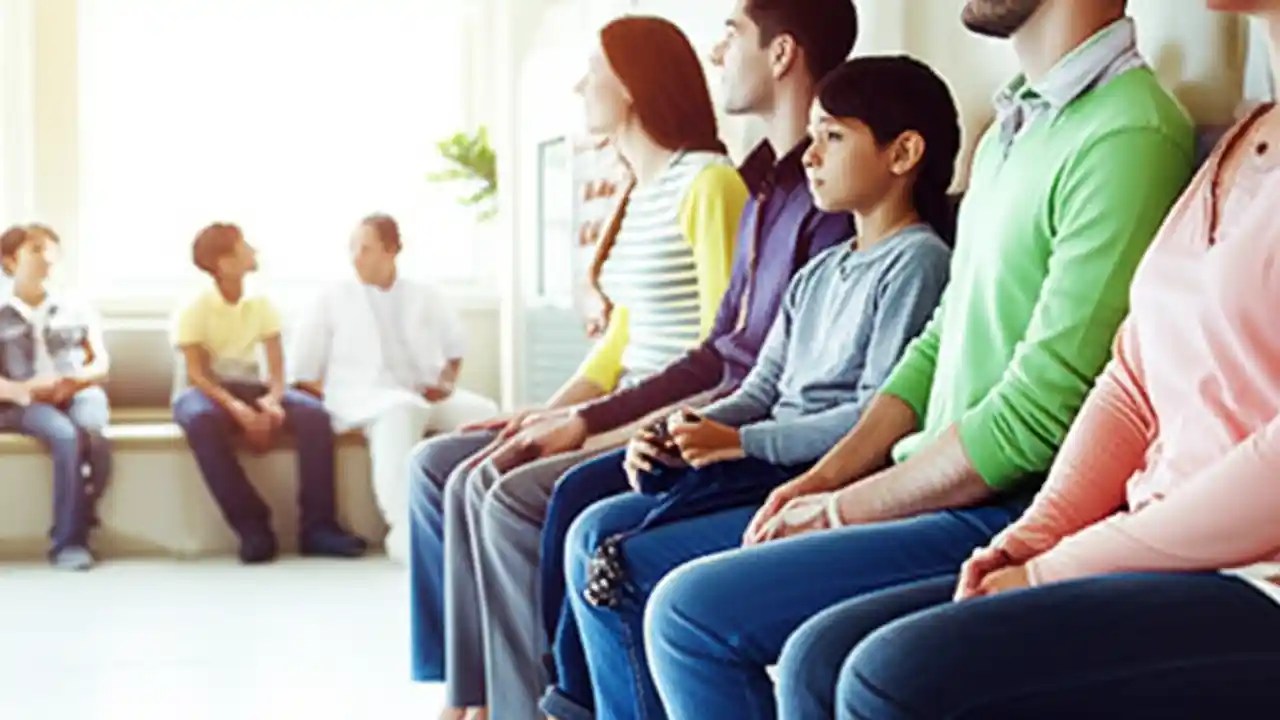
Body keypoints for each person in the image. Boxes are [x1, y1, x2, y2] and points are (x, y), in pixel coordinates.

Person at [643, 2, 1197, 718]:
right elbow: (937, 340)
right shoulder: (1008, 135)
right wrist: (823, 477)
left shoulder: (1131, 131)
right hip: (935, 480)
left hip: (1010, 506)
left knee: (692, 616)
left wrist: (840, 510)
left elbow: (1039, 415)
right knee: (777, 639)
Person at [772, 3, 1280, 716]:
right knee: (820, 656)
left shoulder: (1134, 125)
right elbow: (1130, 380)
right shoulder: (1246, 137)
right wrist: (1037, 535)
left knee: (886, 676)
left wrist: (1055, 565)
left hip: (1252, 580)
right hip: (1135, 535)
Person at [555, 54, 958, 720]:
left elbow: (876, 417)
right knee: (591, 526)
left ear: (903, 152)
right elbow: (762, 384)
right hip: (759, 462)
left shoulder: (917, 262)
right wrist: (682, 429)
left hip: (819, 475)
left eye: (833, 136)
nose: (810, 155)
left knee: (622, 559)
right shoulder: (820, 270)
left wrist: (741, 441)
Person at [410, 17, 749, 719]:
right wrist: (545, 411)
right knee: (441, 464)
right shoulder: (635, 190)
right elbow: (618, 342)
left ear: (631, 84)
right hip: (621, 400)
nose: (579, 85)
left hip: (669, 419)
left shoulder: (709, 183)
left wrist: (587, 429)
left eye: (592, 69)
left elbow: (725, 353)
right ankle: (466, 698)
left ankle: (519, 705)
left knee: (494, 486)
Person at [290, 213, 497, 561]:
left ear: (391, 250)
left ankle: (482, 520)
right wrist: (330, 399)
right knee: (402, 411)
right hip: (360, 397)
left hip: (421, 391)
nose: (356, 256)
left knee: (486, 413)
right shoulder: (331, 297)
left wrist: (446, 383)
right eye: (353, 248)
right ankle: (405, 530)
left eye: (366, 248)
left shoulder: (424, 294)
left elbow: (455, 348)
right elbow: (303, 369)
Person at [171, 222, 366, 564]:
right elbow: (197, 375)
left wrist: (272, 402)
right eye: (244, 246)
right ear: (223, 262)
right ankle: (252, 528)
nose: (253, 251)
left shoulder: (261, 303)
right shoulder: (194, 307)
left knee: (315, 415)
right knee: (201, 421)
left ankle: (318, 528)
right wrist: (239, 411)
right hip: (205, 393)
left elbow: (277, 369)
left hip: (251, 388)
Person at [0, 224, 111, 570]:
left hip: (76, 390)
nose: (47, 258)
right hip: (22, 402)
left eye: (51, 250)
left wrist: (75, 382)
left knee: (93, 431)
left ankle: (78, 510)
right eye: (36, 250)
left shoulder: (76, 307)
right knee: (65, 435)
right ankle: (69, 542)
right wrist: (26, 391)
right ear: (10, 260)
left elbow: (102, 363)